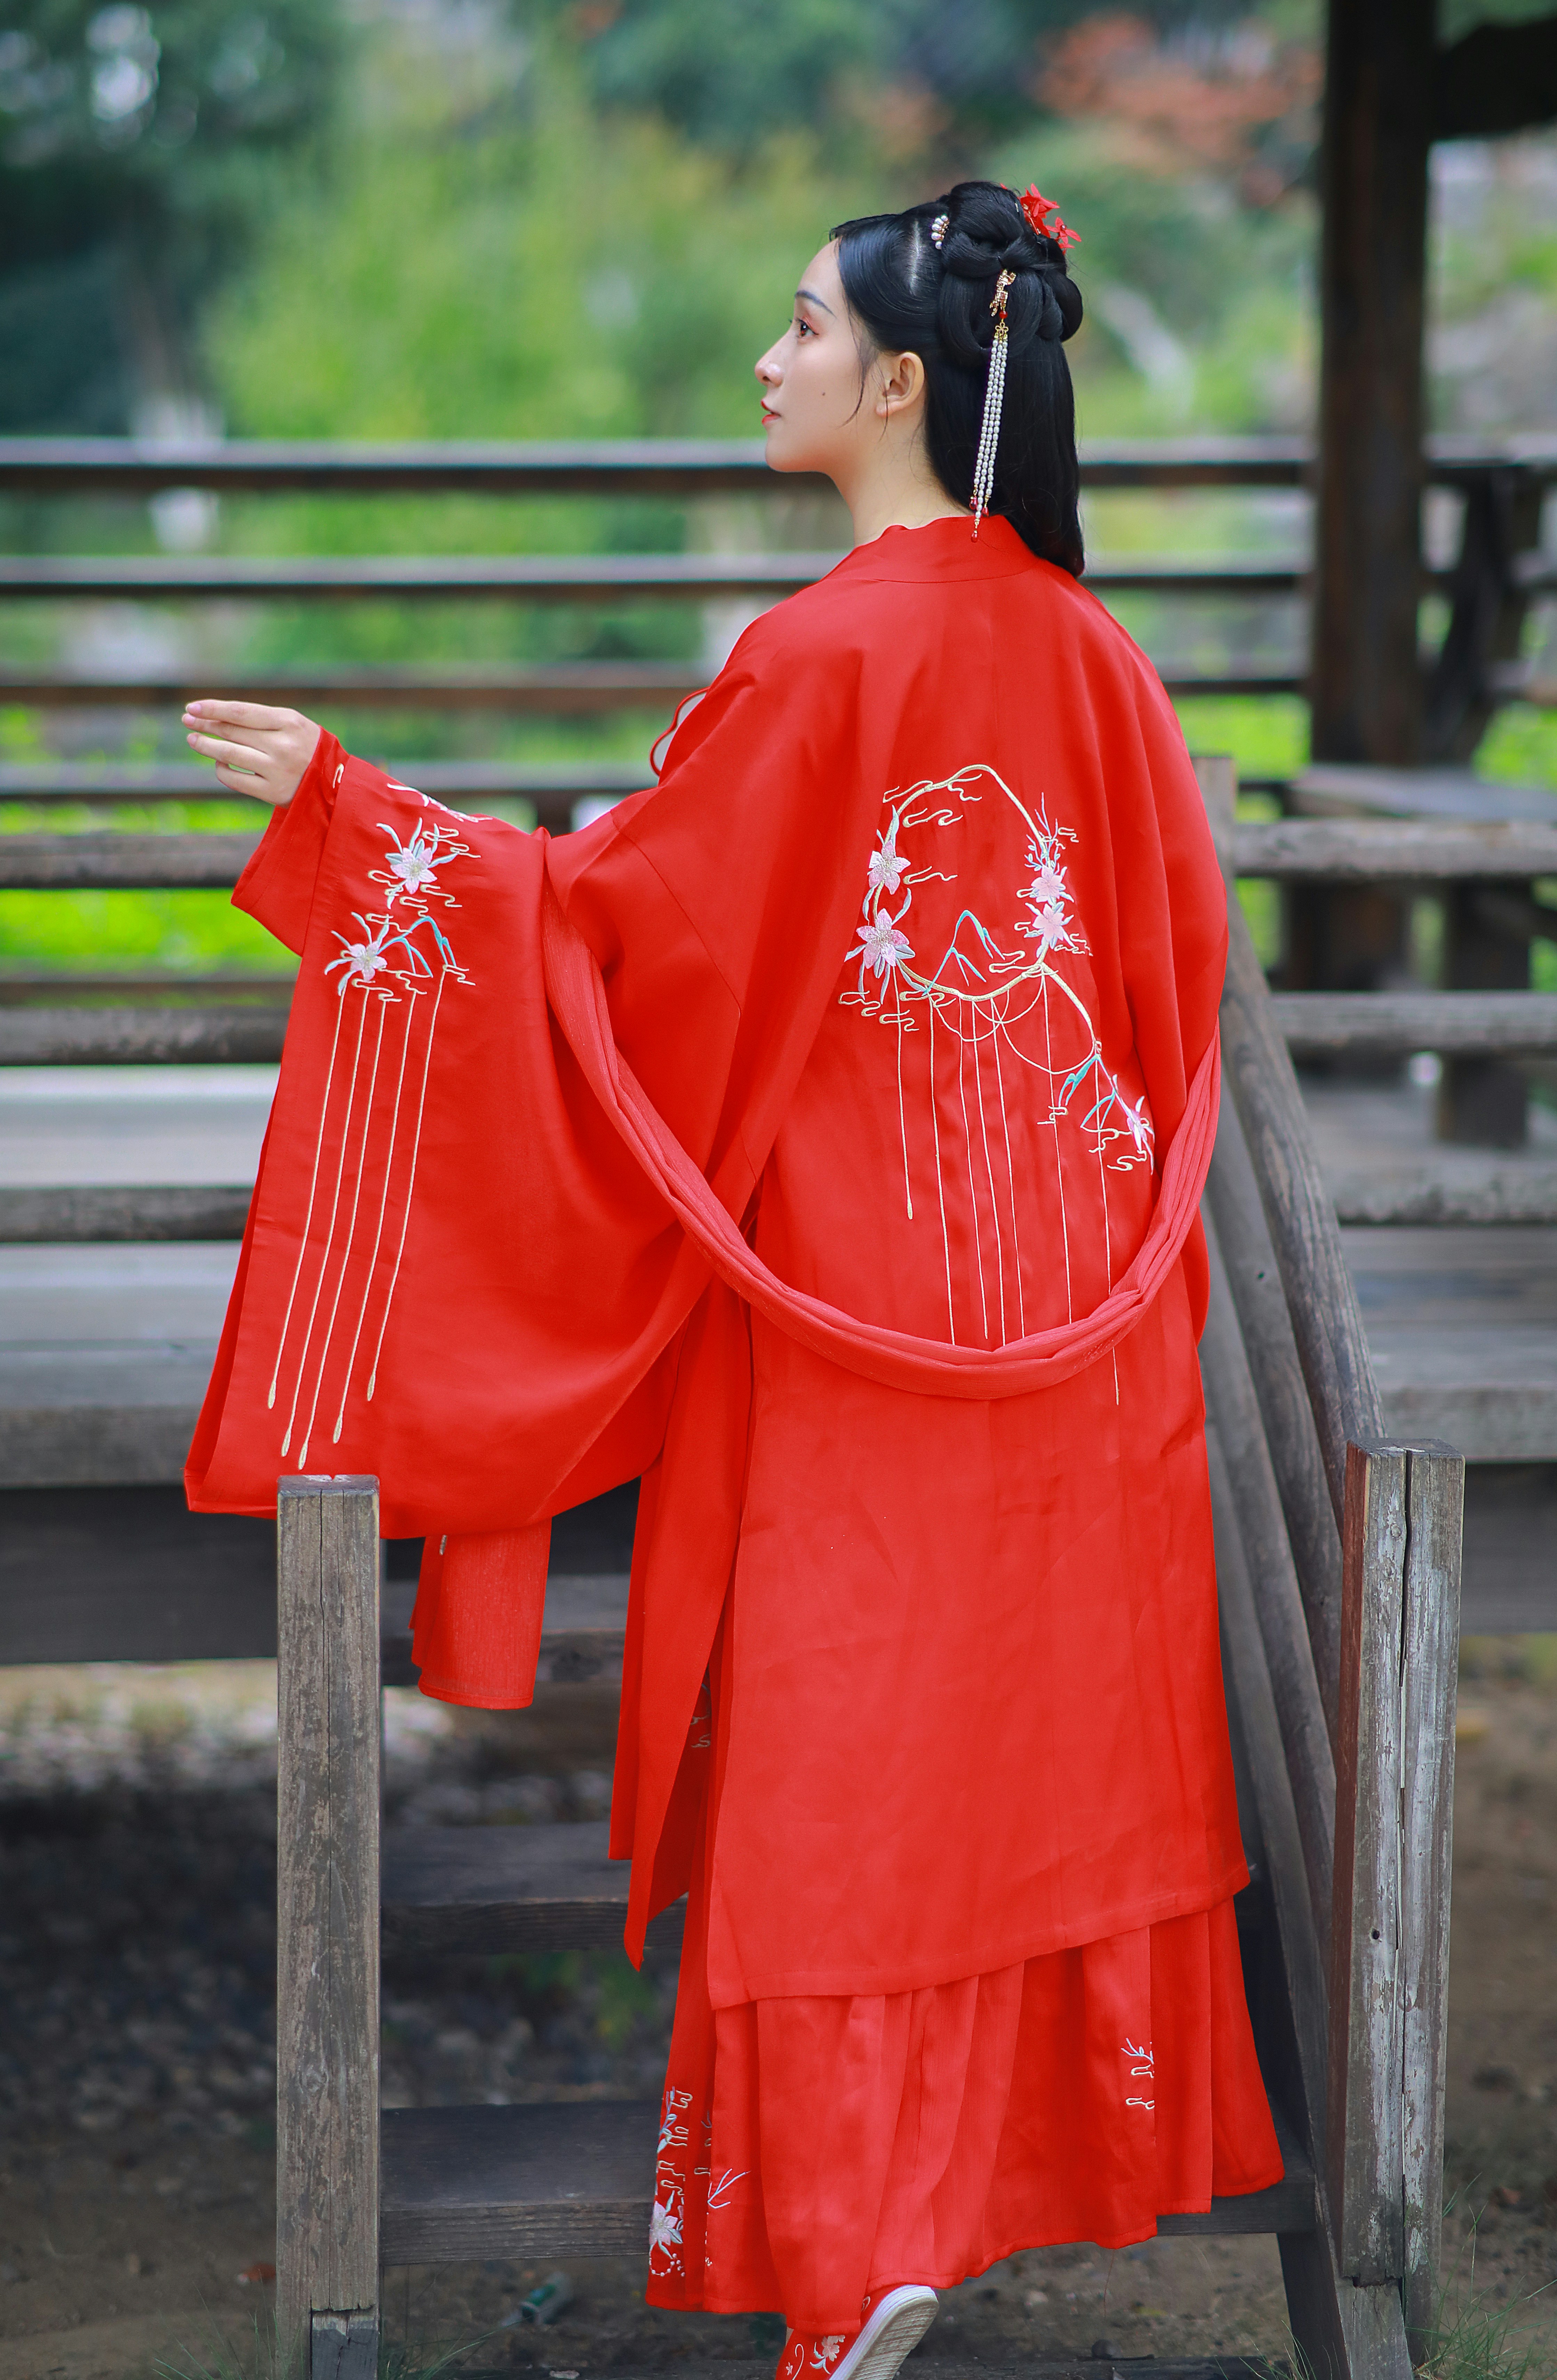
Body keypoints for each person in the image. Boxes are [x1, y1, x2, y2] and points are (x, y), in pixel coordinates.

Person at [184, 179, 1281, 2380]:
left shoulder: (818, 655)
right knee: (1027, 1748)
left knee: (851, 1762)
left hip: (856, 1314)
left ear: (899, 383)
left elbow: (616, 943)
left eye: (799, 329)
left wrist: (357, 822)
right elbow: (1163, 995)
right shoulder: (1094, 651)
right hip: (1073, 1310)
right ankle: (945, 2209)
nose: (765, 362)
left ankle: (866, 2223)